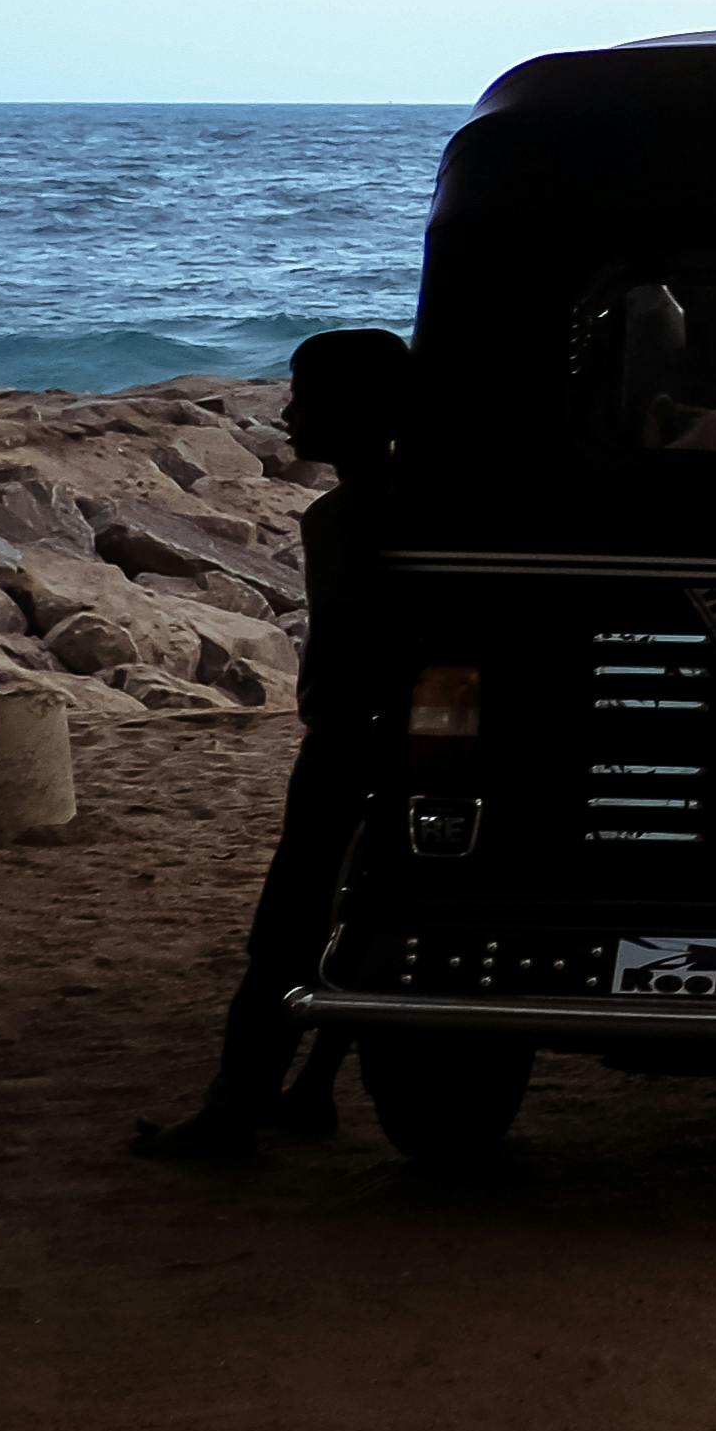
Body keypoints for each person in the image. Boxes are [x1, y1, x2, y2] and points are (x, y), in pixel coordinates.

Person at [133, 324, 409, 1161]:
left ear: (351, 411)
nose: (287, 412)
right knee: (367, 912)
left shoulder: (345, 517)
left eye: (305, 395)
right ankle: (313, 1083)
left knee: (288, 927)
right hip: (409, 741)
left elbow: (343, 655)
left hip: (351, 739)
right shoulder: (424, 498)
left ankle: (233, 1108)